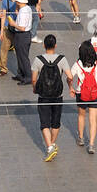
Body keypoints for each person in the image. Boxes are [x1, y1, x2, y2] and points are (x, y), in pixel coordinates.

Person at [32, 32, 72, 161]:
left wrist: (34, 89)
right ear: (55, 45)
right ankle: (52, 144)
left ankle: (49, 147)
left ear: (44, 45)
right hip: (57, 95)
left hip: (43, 95)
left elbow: (33, 79)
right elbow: (70, 77)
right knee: (55, 122)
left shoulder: (38, 59)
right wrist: (69, 85)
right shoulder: (62, 59)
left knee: (44, 123)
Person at [69, 40, 97, 153]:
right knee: (93, 120)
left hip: (81, 94)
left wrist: (70, 87)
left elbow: (70, 77)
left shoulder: (77, 64)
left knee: (81, 116)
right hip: (95, 93)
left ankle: (81, 138)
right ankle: (91, 144)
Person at [11, 0, 34, 85]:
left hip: (22, 35)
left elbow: (22, 28)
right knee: (20, 55)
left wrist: (13, 24)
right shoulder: (26, 8)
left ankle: (28, 76)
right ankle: (20, 74)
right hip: (24, 36)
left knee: (23, 57)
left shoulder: (24, 11)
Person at [0, 0, 19, 77]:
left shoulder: (21, 1)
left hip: (18, 27)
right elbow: (3, 16)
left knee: (20, 50)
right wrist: (2, 31)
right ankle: (3, 68)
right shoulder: (5, 1)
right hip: (8, 27)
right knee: (4, 48)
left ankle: (20, 69)